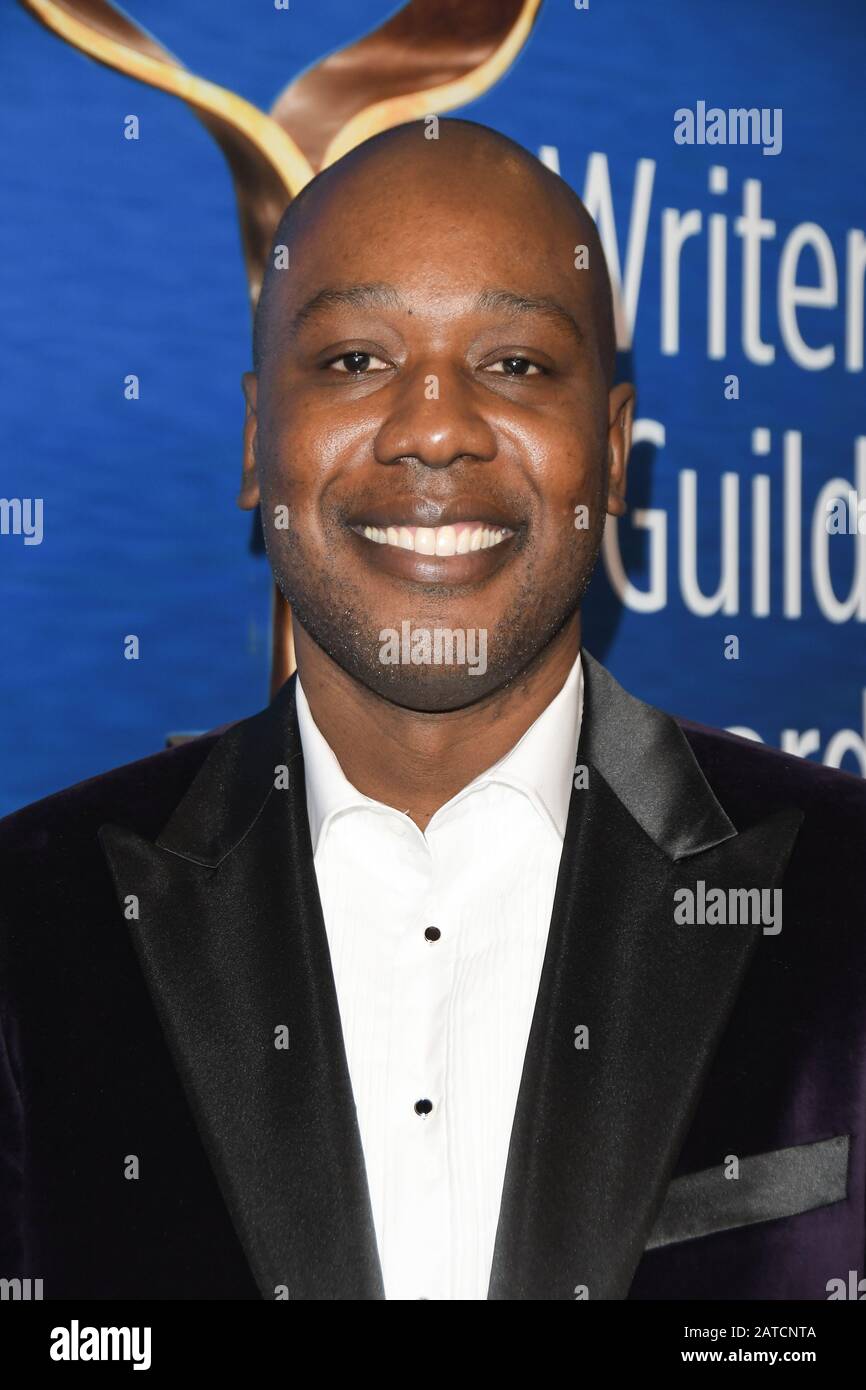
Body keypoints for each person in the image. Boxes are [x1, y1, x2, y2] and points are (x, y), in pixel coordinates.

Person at [1, 120, 863, 1302]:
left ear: (610, 455)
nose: (434, 426)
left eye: (512, 363)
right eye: (356, 359)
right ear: (260, 444)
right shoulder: (32, 923)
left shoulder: (842, 890)